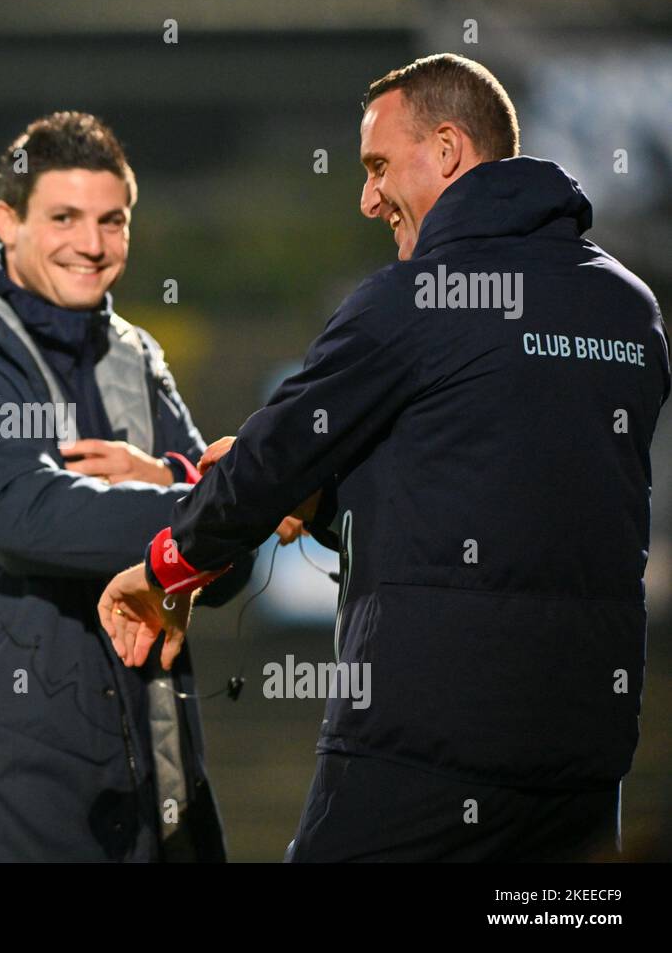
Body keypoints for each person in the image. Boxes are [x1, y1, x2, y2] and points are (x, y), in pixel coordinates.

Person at [99, 53, 670, 861]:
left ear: (444, 151)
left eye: (376, 165)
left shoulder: (417, 297)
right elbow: (505, 504)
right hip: (586, 757)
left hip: (426, 743)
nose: (367, 198)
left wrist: (167, 566)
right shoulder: (628, 308)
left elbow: (272, 455)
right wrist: (329, 505)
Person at [0, 112, 292, 861]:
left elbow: (232, 564)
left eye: (113, 220)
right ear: (6, 221)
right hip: (4, 810)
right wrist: (219, 500)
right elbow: (18, 515)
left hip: (158, 796)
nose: (93, 244)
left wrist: (185, 486)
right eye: (65, 217)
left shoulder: (136, 355)